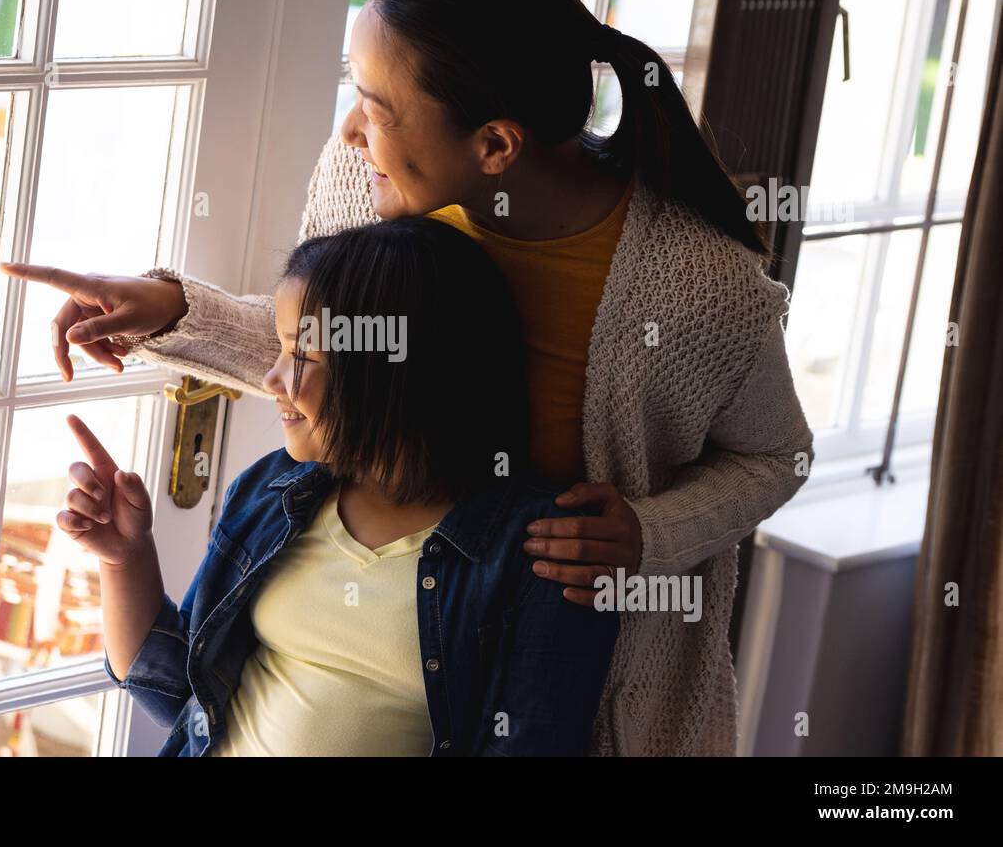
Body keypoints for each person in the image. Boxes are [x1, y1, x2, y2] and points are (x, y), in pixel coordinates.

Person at [1, 0, 813, 756]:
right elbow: (335, 360)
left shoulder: (699, 288)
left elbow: (777, 458)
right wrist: (173, 312)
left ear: (496, 144)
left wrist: (650, 533)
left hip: (587, 687)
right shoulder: (372, 177)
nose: (352, 131)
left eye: (378, 108)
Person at [58, 219, 619, 756]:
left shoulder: (542, 553)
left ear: (392, 375)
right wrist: (124, 558)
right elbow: (180, 694)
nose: (271, 379)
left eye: (301, 356)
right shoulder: (273, 494)